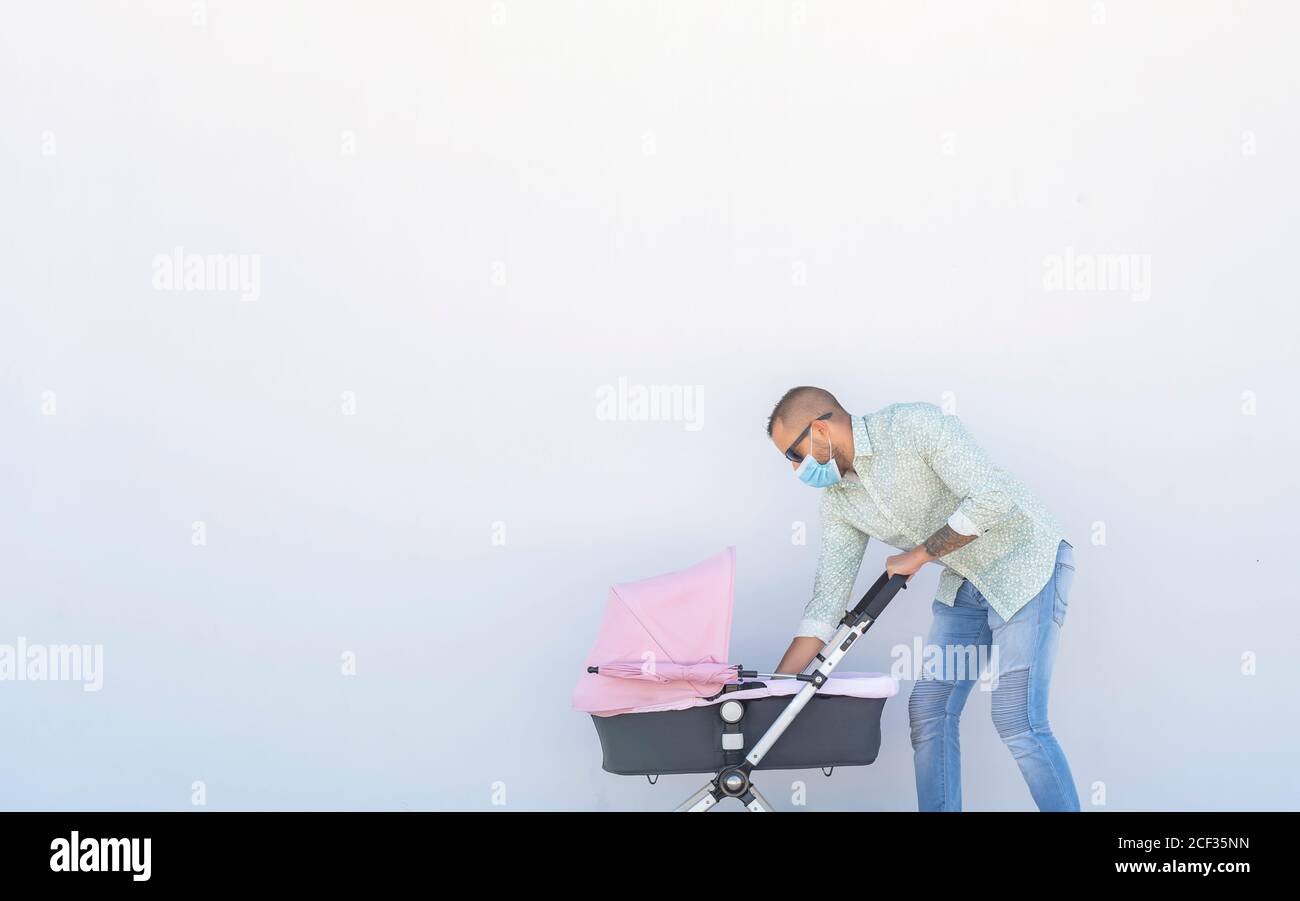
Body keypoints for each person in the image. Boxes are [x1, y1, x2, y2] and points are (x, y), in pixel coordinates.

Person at [767, 386, 1079, 811]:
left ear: (820, 429)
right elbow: (825, 604)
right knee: (929, 713)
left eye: (793, 454)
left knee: (1017, 719)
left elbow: (992, 497)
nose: (796, 469)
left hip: (1026, 564)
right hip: (965, 582)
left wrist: (919, 555)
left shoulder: (911, 425)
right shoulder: (839, 502)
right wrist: (772, 691)